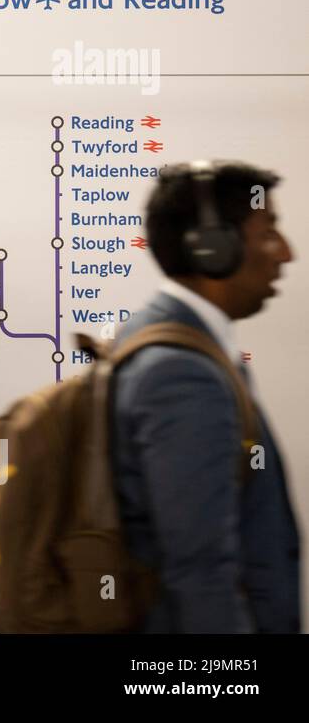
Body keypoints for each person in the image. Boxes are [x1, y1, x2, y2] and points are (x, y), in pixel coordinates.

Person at [113, 161, 300, 633]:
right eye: (269, 231)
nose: (286, 253)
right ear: (213, 247)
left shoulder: (179, 343)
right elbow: (199, 570)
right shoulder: (181, 373)